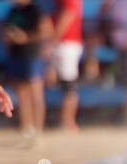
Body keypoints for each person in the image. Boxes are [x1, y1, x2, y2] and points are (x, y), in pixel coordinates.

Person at [1, 0, 51, 141]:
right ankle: (26, 128)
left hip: (32, 54)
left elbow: (45, 31)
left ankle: (38, 128)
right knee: (21, 93)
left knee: (35, 92)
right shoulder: (13, 11)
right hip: (16, 55)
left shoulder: (35, 9)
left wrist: (25, 38)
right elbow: (8, 31)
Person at [52, 0, 84, 132]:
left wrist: (53, 38)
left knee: (69, 85)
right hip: (62, 43)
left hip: (67, 43)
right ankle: (64, 121)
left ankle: (67, 122)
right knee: (62, 84)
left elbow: (68, 14)